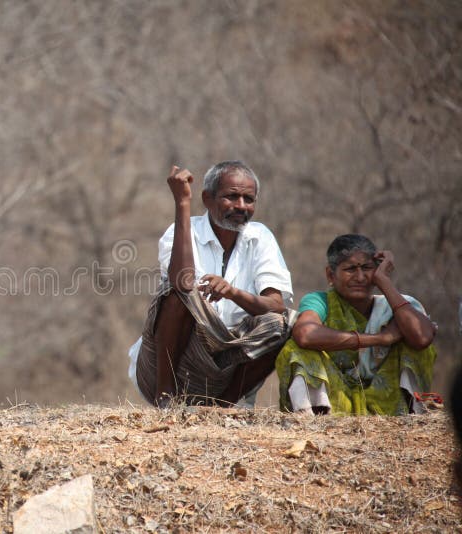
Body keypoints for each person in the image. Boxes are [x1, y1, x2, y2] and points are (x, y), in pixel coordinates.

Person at [127, 161, 294, 408]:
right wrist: (182, 203)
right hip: (171, 366)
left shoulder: (260, 237)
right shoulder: (183, 230)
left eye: (249, 199)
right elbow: (182, 283)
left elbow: (276, 306)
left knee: (283, 323)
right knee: (177, 295)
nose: (241, 206)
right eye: (231, 197)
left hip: (226, 370)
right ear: (207, 199)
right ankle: (166, 399)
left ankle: (221, 408)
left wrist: (233, 293)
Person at [276, 234, 437, 415]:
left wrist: (384, 281)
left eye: (367, 268)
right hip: (338, 400)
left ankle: (411, 417)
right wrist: (379, 338)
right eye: (350, 269)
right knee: (295, 349)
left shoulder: (394, 306)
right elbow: (305, 334)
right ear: (331, 274)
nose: (360, 277)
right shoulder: (320, 301)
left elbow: (422, 338)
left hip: (387, 405)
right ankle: (313, 419)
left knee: (414, 344)